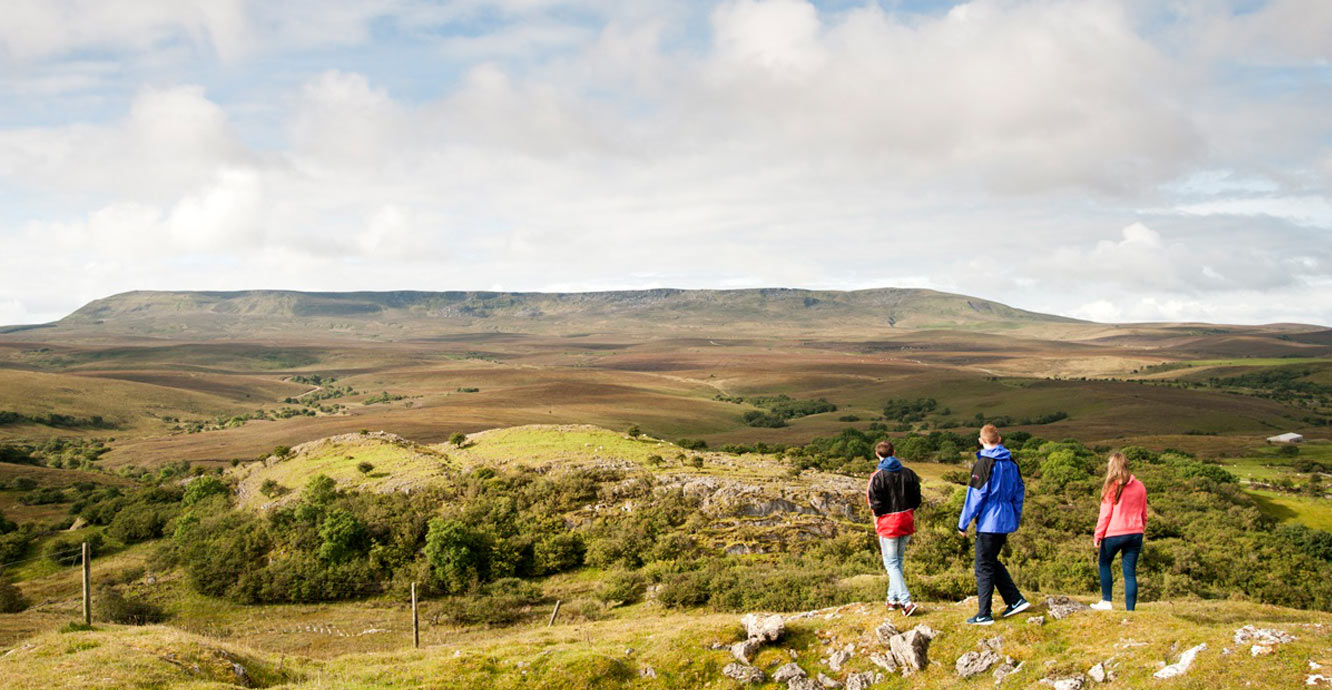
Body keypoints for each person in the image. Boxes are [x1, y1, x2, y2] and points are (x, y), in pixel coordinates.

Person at [957, 424, 1029, 625]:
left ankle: (984, 613)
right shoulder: (1011, 462)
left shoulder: (984, 464)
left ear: (981, 441)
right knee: (991, 561)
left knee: (983, 566)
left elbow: (975, 497)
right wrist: (1014, 516)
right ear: (999, 439)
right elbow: (1019, 492)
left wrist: (963, 523)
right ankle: (1015, 600)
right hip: (1005, 519)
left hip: (989, 521)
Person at [867, 440, 922, 616]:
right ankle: (892, 600)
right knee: (897, 562)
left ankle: (906, 602)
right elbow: (917, 499)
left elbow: (874, 504)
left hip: (888, 524)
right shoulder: (910, 473)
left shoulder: (877, 476)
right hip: (906, 520)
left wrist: (877, 521)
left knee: (891, 564)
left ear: (878, 455)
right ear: (894, 452)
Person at [1091, 451, 1147, 611]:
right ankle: (1130, 610)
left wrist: (1098, 535)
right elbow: (1144, 512)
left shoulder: (1111, 486)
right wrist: (1140, 528)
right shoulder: (1140, 486)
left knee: (1104, 563)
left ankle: (1106, 601)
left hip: (1114, 533)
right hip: (1135, 533)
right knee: (1129, 573)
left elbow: (1105, 514)